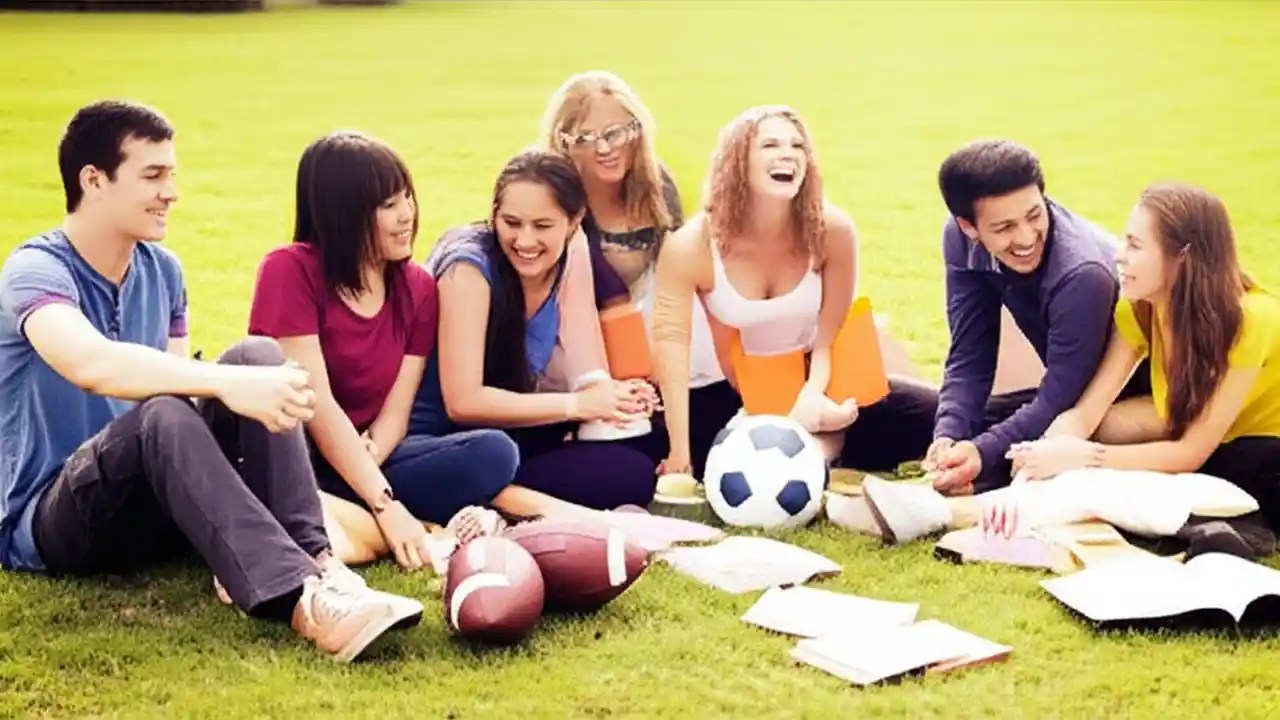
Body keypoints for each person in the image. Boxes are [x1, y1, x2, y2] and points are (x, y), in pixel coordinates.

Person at [0, 100, 421, 663]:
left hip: (145, 508)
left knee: (258, 355)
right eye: (153, 175)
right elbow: (90, 364)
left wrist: (242, 381)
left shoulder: (163, 270)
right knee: (165, 410)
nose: (171, 191)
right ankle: (301, 595)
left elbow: (183, 395)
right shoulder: (35, 271)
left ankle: (320, 566)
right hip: (52, 521)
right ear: (94, 181)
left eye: (172, 174)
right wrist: (223, 384)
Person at [859, 183, 1278, 559]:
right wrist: (1045, 454)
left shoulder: (1252, 319)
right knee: (1101, 435)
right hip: (1193, 431)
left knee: (1122, 474)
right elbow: (1086, 411)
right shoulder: (1140, 308)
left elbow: (1191, 452)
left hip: (1255, 449)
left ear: (1182, 258)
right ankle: (980, 503)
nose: (1118, 254)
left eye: (1134, 245)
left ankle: (948, 513)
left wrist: (1085, 460)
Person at [249, 131, 547, 569]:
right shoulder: (289, 271)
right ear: (343, 213)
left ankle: (338, 509)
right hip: (299, 451)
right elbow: (318, 405)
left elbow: (396, 413)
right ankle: (348, 513)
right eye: (389, 205)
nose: (407, 214)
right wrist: (384, 503)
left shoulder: (418, 288)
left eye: (407, 197)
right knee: (312, 477)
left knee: (494, 453)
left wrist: (368, 467)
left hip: (372, 455)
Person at [651, 105, 936, 477]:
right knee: (744, 463)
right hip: (745, 389)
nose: (788, 154)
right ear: (737, 161)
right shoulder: (691, 246)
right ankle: (820, 449)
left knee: (939, 417)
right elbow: (672, 345)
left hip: (829, 379)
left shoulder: (832, 230)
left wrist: (812, 397)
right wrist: (679, 453)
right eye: (770, 145)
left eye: (797, 146)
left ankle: (828, 442)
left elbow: (828, 335)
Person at [408, 149, 660, 510]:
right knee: (495, 454)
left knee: (640, 456)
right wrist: (578, 405)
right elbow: (463, 402)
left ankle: (501, 499)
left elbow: (582, 358)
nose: (525, 241)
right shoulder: (468, 269)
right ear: (494, 215)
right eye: (511, 223)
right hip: (444, 442)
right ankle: (496, 500)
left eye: (542, 226)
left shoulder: (571, 250)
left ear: (575, 221)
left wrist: (612, 396)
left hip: (507, 429)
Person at [539, 70, 734, 476]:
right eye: (586, 139)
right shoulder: (555, 194)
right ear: (564, 144)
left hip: (648, 313)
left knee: (699, 337)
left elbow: (678, 275)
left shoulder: (656, 184)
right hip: (578, 324)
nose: (606, 148)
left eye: (616, 132)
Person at [925, 139, 1138, 495]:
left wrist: (981, 453)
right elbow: (970, 353)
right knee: (953, 420)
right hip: (1073, 399)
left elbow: (1062, 399)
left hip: (1125, 404)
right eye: (1005, 227)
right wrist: (949, 435)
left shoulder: (1082, 275)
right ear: (968, 228)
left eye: (1034, 215)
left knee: (1013, 442)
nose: (1025, 238)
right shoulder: (959, 241)